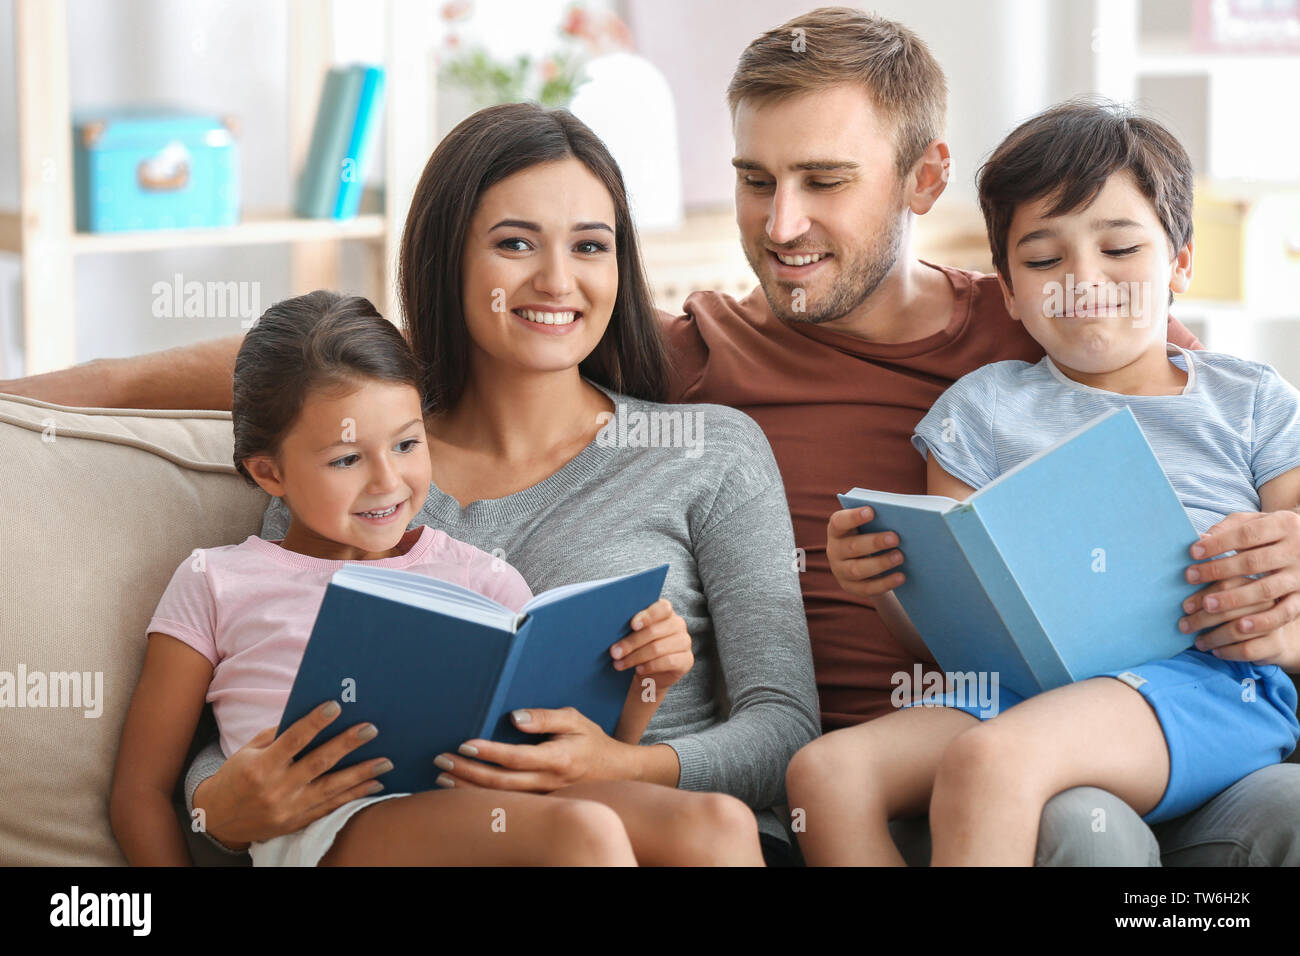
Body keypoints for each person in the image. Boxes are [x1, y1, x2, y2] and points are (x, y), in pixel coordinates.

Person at [10, 6, 1300, 866]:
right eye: (751, 179)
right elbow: (313, 363)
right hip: (837, 788)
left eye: (824, 182)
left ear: (920, 184)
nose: (781, 223)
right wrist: (59, 389)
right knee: (1076, 827)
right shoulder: (629, 380)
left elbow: (1191, 414)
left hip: (1053, 725)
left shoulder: (1027, 328)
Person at [115, 104, 818, 866]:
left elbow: (783, 729)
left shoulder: (707, 451)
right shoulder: (343, 473)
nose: (557, 280)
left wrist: (627, 760)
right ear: (449, 259)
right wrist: (215, 811)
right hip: (458, 833)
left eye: (590, 245)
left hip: (663, 820)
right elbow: (250, 705)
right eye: (515, 243)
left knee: (699, 828)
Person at [795, 100, 1300, 865]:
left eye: (1120, 247)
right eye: (1043, 260)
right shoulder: (982, 408)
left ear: (1181, 264)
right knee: (825, 772)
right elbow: (947, 621)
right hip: (1016, 684)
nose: (1082, 280)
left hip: (1200, 683)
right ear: (1007, 290)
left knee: (993, 761)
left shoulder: (1251, 399)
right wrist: (884, 582)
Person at [111, 290, 723, 865]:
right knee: (579, 832)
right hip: (334, 825)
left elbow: (560, 752)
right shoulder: (214, 581)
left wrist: (647, 684)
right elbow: (139, 792)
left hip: (502, 810)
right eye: (347, 459)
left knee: (715, 823)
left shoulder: (485, 577)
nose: (387, 482)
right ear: (269, 473)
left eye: (406, 444)